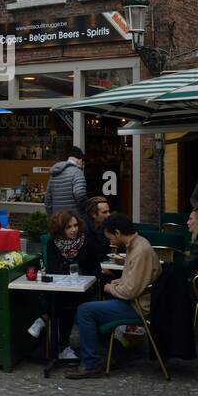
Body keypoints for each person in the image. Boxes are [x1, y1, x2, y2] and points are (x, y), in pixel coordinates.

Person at [66, 215, 160, 379]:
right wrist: (120, 282)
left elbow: (130, 291)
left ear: (117, 233)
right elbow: (133, 280)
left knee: (84, 311)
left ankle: (90, 365)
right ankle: (117, 351)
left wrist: (109, 287)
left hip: (136, 306)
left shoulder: (139, 251)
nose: (109, 240)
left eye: (109, 236)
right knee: (82, 312)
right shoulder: (136, 244)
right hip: (133, 301)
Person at [40, 210, 103, 361]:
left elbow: (93, 266)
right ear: (61, 229)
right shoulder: (52, 242)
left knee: (66, 301)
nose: (74, 229)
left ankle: (44, 318)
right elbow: (53, 268)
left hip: (85, 287)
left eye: (75, 225)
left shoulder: (86, 241)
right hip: (63, 287)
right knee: (64, 299)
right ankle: (62, 346)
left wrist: (71, 268)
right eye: (69, 227)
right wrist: (71, 269)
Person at [44, 146, 88, 218]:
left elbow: (47, 201)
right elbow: (80, 194)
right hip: (73, 219)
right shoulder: (77, 172)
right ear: (79, 160)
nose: (82, 165)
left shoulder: (54, 174)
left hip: (58, 219)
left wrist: (52, 217)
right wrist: (82, 212)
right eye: (83, 162)